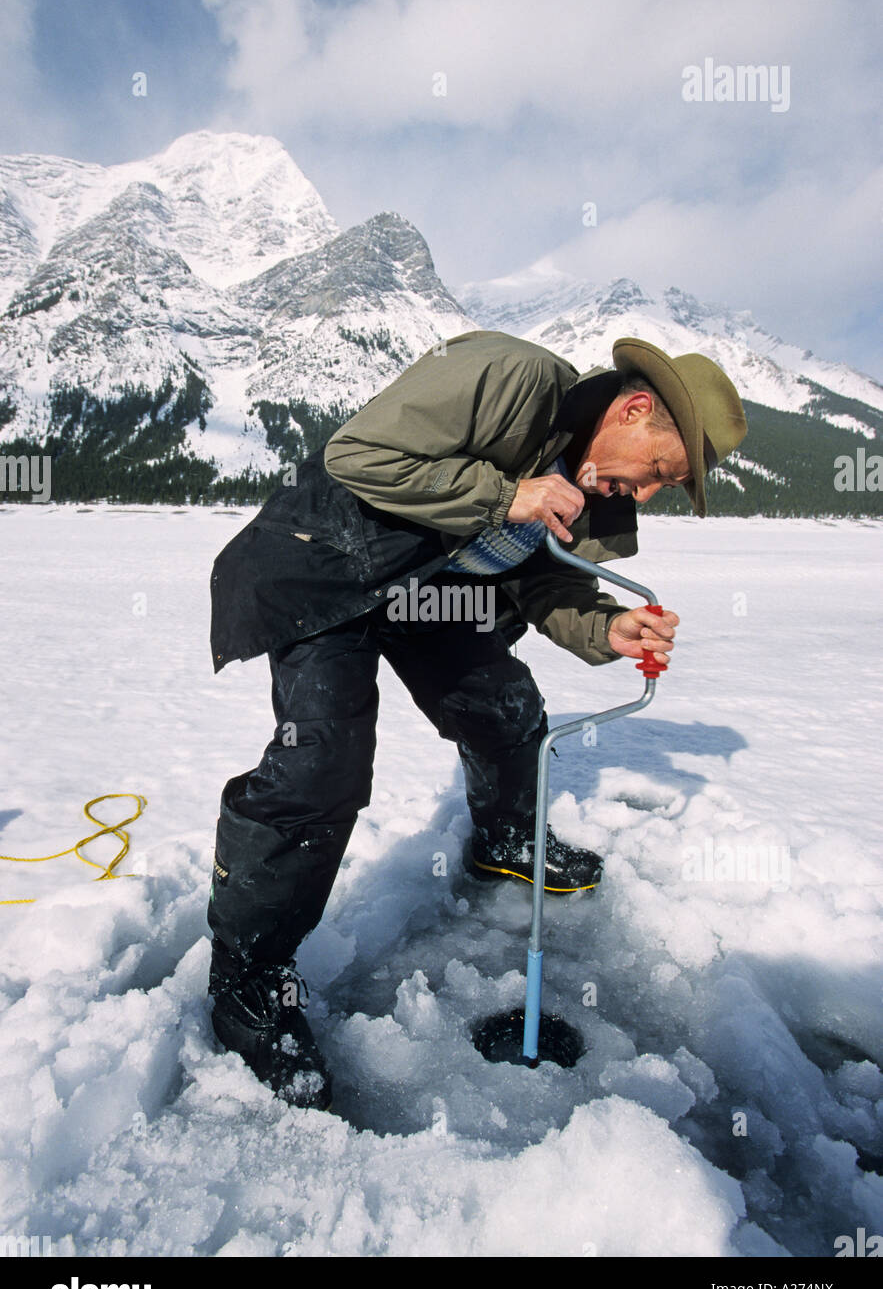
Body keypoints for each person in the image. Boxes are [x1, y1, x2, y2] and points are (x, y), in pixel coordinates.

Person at [206, 329, 747, 1107]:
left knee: (507, 709)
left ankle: (504, 839)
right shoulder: (511, 376)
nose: (651, 492)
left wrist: (607, 629)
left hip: (432, 598)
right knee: (320, 767)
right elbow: (358, 456)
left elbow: (543, 587)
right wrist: (505, 495)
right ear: (634, 410)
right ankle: (248, 981)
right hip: (325, 571)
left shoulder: (597, 492)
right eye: (661, 471)